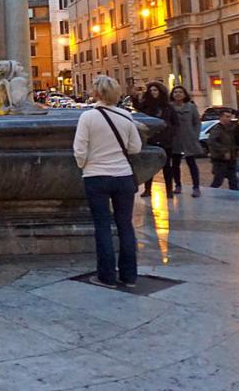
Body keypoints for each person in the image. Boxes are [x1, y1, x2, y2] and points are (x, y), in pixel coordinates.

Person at [73, 75, 142, 289]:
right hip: (123, 177)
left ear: (96, 93)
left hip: (96, 176)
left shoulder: (88, 117)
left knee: (102, 226)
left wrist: (85, 164)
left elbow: (79, 149)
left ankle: (107, 277)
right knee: (125, 226)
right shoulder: (126, 116)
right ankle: (129, 277)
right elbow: (135, 148)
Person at [137, 82, 178, 199]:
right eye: (151, 91)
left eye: (155, 90)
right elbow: (139, 112)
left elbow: (175, 122)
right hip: (151, 139)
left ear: (160, 91)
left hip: (166, 139)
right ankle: (147, 189)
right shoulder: (146, 106)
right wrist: (135, 96)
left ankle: (169, 190)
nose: (153, 93)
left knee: (167, 167)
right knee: (149, 165)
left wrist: (171, 133)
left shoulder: (168, 107)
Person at [168, 86, 203, 197]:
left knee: (192, 163)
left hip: (188, 138)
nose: (178, 94)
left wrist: (195, 135)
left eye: (180, 92)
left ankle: (196, 187)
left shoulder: (191, 107)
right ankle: (178, 185)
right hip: (175, 139)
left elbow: (197, 122)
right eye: (175, 92)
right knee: (175, 164)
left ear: (184, 94)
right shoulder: (170, 107)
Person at [207, 108, 239, 190]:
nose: (229, 119)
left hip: (231, 158)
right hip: (220, 160)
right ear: (221, 117)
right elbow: (212, 142)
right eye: (227, 116)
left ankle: (234, 198)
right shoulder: (216, 129)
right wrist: (224, 151)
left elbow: (236, 140)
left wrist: (237, 150)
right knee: (218, 180)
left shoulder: (232, 128)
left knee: (233, 180)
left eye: (230, 117)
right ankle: (211, 193)